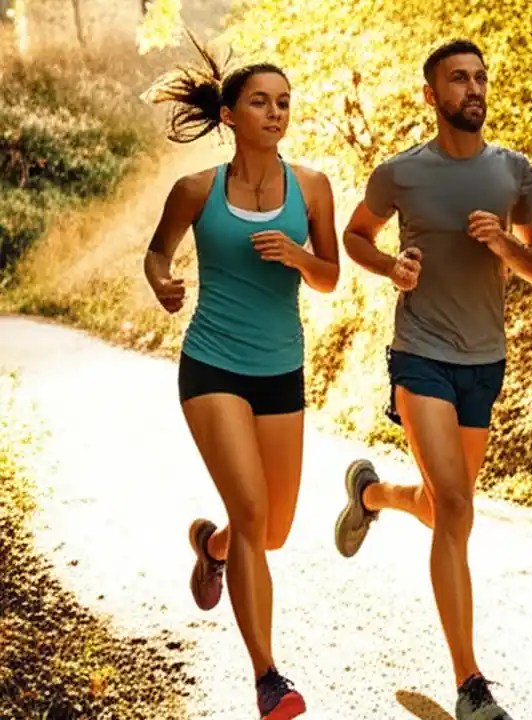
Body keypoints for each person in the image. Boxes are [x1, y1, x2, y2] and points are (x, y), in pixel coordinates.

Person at [333, 38, 532, 720]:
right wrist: (390, 268)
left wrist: (504, 246)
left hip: (484, 360)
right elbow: (355, 236)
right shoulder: (401, 174)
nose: (473, 88)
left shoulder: (513, 172)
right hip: (421, 352)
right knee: (457, 509)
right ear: (431, 95)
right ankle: (470, 685)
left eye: (479, 78)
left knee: (440, 508)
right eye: (458, 79)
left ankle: (370, 496)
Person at [142, 34, 340, 720]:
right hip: (212, 364)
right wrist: (164, 282)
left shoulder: (311, 187)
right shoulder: (196, 190)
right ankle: (269, 679)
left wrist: (297, 254)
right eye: (261, 101)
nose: (276, 112)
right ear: (230, 114)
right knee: (255, 513)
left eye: (284, 102)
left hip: (281, 369)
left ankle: (212, 545)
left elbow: (331, 276)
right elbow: (157, 254)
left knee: (270, 529)